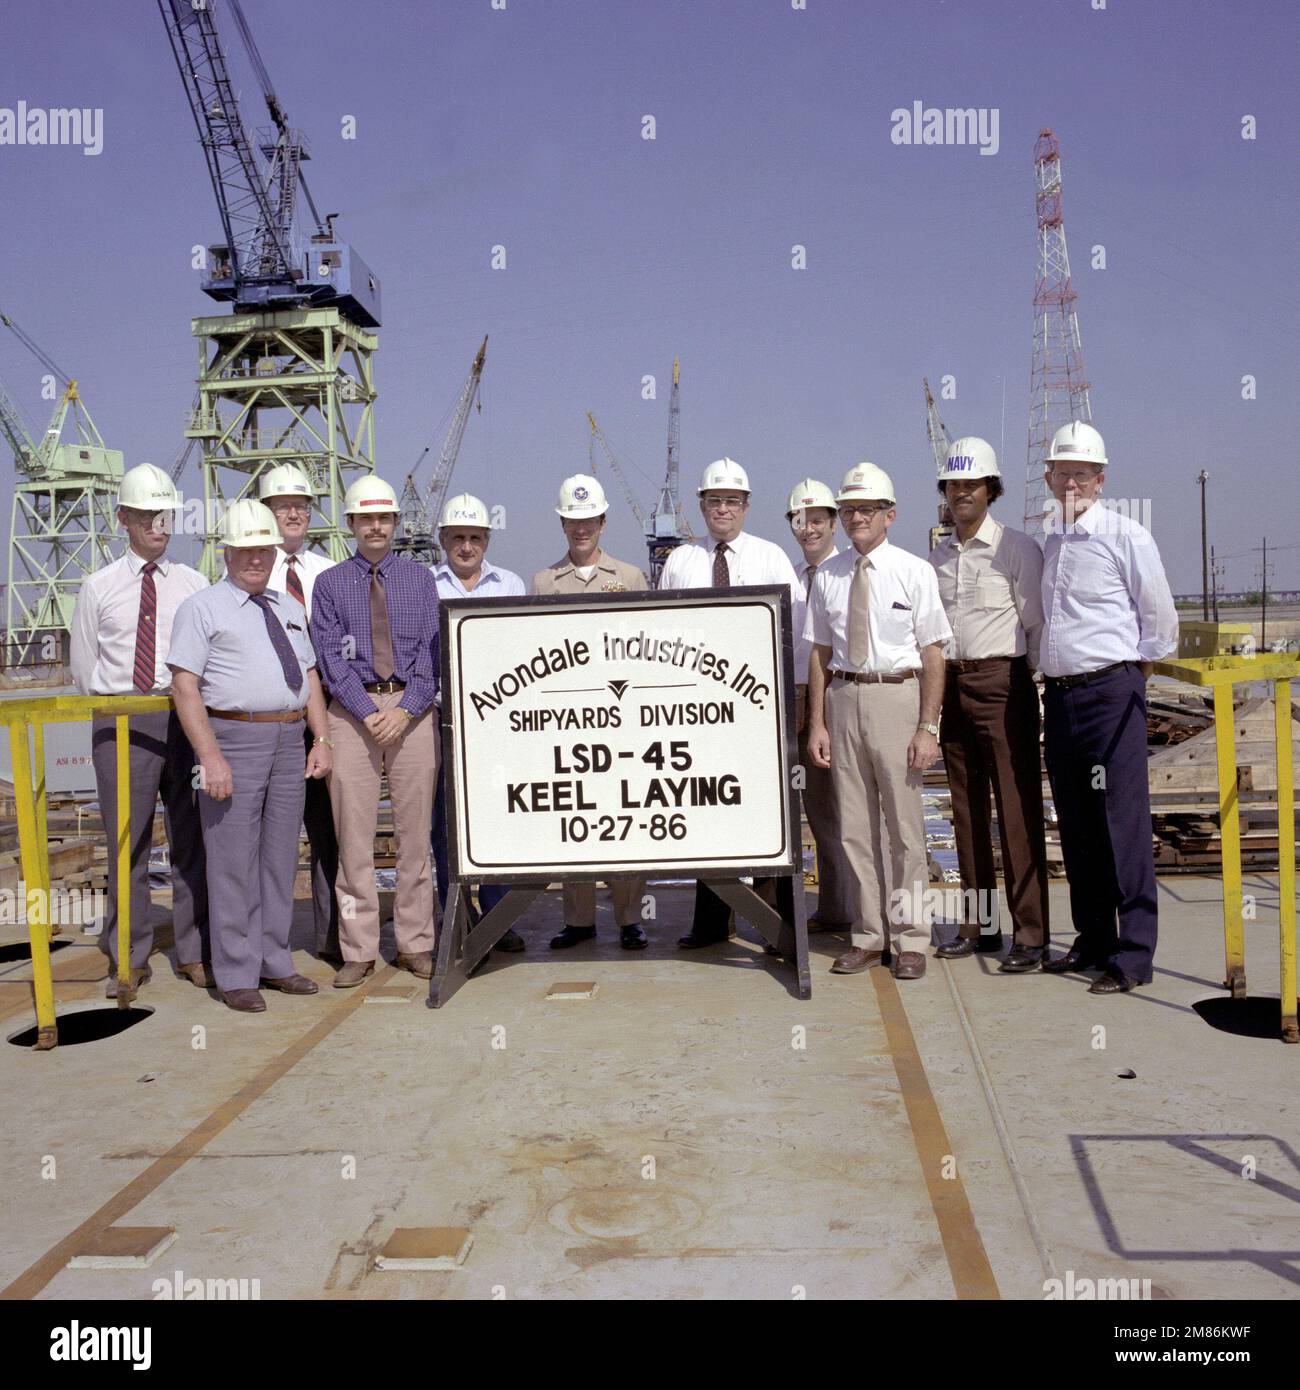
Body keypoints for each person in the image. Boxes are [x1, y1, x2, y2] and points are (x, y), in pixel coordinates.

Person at [168, 499, 331, 1013]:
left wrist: (321, 740)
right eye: (246, 550)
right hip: (233, 738)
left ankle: (275, 961)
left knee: (281, 858)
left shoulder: (286, 607)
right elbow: (184, 686)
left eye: (263, 549)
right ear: (227, 552)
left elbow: (308, 677)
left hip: (289, 740)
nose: (256, 558)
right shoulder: (202, 609)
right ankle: (236, 972)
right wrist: (209, 756)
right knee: (232, 861)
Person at [1036, 422, 1177, 993]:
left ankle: (1133, 955)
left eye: (1082, 473)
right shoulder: (1053, 541)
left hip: (1111, 695)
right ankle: (1091, 940)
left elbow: (1160, 623)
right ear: (1048, 478)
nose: (1071, 481)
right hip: (1063, 697)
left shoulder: (1126, 537)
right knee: (1078, 826)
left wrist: (1130, 676)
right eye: (1061, 471)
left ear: (1100, 479)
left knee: (1123, 824)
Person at [69, 463, 211, 999]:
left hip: (183, 717)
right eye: (148, 514)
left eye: (166, 514)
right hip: (119, 720)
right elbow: (85, 670)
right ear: (123, 517)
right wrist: (117, 708)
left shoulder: (193, 584)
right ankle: (127, 954)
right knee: (125, 840)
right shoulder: (98, 587)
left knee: (189, 837)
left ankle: (196, 951)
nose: (159, 523)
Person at [806, 463, 951, 981]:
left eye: (866, 509)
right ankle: (868, 935)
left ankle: (911, 938)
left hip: (897, 698)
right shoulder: (829, 574)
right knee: (855, 829)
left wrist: (926, 727)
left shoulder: (914, 571)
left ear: (889, 515)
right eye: (848, 510)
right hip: (845, 697)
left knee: (906, 830)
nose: (856, 518)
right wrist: (817, 724)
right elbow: (820, 653)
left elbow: (934, 656)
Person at [659, 458, 802, 949]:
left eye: (732, 501)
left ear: (746, 506)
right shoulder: (681, 561)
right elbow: (660, 631)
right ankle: (711, 921)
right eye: (714, 500)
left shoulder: (771, 557)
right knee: (705, 809)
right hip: (697, 710)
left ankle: (771, 922)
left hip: (759, 708)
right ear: (701, 505)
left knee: (767, 811)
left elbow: (795, 633)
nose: (723, 509)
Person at [311, 475, 441, 985]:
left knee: (415, 840)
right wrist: (367, 711)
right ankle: (358, 950)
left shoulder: (420, 580)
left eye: (384, 518)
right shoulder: (330, 585)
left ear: (395, 522)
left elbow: (433, 655)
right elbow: (327, 657)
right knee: (354, 843)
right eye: (366, 519)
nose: (376, 527)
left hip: (411, 712)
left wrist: (405, 709)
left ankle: (415, 944)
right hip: (352, 711)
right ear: (350, 524)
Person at [929, 438, 1049, 973]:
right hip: (953, 685)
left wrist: (1032, 684)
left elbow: (1036, 624)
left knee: (1017, 811)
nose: (961, 494)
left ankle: (1031, 934)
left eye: (971, 485)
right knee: (966, 809)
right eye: (953, 486)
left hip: (1004, 683)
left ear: (991, 490)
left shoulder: (1017, 549)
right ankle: (980, 927)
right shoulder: (937, 556)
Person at [531, 474, 650, 950]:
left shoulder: (631, 577)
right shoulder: (543, 582)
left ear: (603, 521)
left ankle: (629, 919)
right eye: (573, 521)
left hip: (622, 715)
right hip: (568, 717)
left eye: (589, 520)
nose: (581, 528)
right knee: (573, 814)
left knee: (626, 814)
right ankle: (579, 920)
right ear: (563, 522)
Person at [429, 492, 527, 952]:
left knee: (499, 818)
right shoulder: (423, 584)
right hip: (440, 716)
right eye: (457, 537)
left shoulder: (510, 584)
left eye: (474, 537)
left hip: (496, 723)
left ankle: (499, 919)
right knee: (445, 825)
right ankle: (458, 920)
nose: (466, 546)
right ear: (443, 539)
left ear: (486, 539)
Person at [258, 463, 342, 964]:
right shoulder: (246, 571)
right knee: (270, 839)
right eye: (282, 505)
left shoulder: (327, 572)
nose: (293, 512)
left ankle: (333, 939)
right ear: (265, 511)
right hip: (273, 722)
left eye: (301, 505)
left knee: (329, 834)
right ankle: (267, 946)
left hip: (324, 720)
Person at [785, 478, 856, 932]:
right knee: (813, 813)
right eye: (799, 520)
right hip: (792, 703)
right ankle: (831, 909)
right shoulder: (788, 578)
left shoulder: (850, 573)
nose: (808, 529)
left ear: (834, 524)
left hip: (832, 701)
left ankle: (850, 908)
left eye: (817, 521)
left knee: (842, 813)